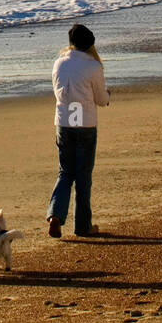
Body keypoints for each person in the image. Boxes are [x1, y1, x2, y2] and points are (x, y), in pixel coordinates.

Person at [46, 23, 109, 239]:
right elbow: (101, 99)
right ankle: (82, 225)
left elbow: (59, 93)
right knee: (83, 176)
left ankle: (55, 214)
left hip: (64, 124)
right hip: (85, 124)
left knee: (65, 172)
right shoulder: (93, 66)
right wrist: (108, 96)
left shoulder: (59, 63)